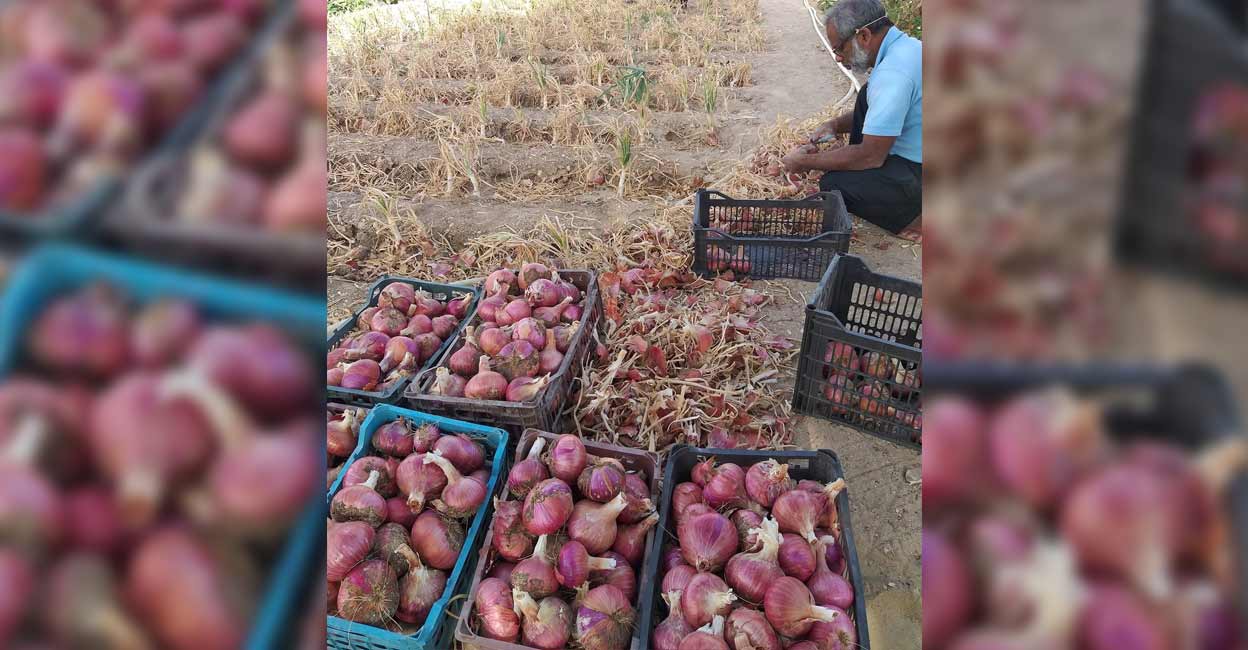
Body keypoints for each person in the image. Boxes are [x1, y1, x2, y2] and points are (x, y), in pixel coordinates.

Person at [781, 0, 922, 240]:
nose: (837, 58)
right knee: (866, 94)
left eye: (839, 49)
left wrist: (807, 161)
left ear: (864, 35)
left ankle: (916, 218)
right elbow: (877, 106)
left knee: (835, 184)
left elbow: (870, 156)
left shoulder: (893, 75)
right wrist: (835, 125)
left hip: (920, 172)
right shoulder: (909, 48)